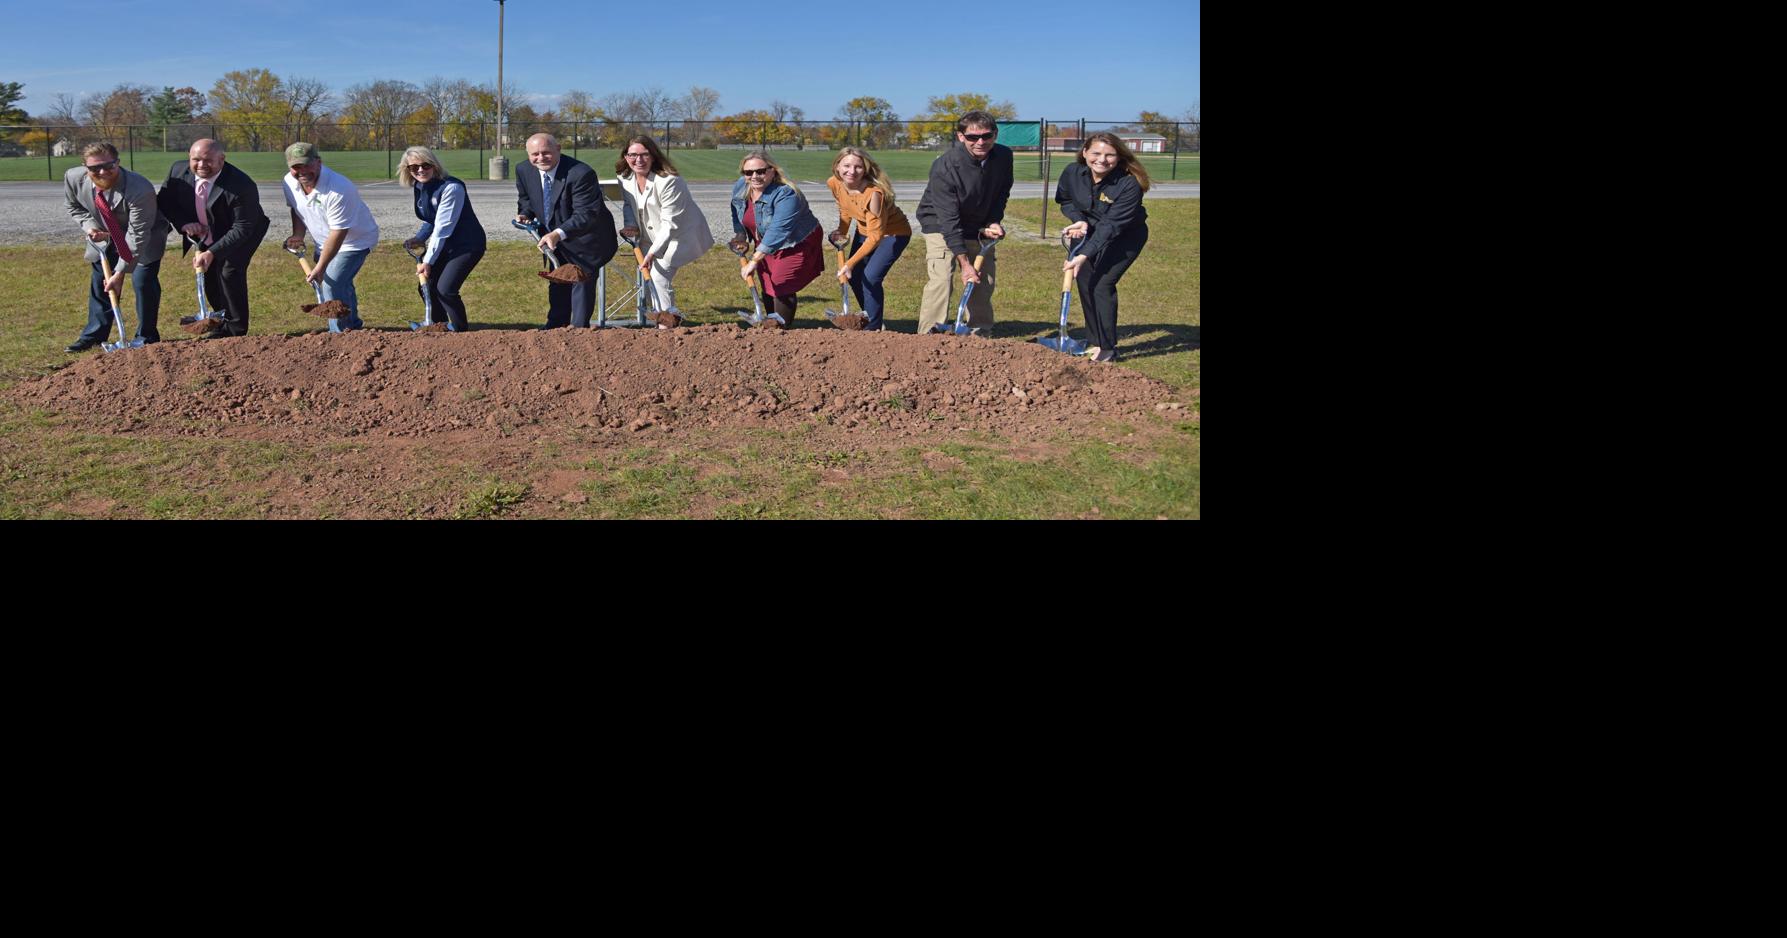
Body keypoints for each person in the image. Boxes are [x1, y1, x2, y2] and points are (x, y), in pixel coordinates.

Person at [157, 138, 268, 339]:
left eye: (208, 160)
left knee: (228, 271)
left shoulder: (241, 185)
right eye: (196, 159)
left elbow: (243, 227)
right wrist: (184, 223)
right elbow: (165, 202)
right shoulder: (178, 172)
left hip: (242, 230)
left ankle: (235, 330)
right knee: (209, 273)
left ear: (221, 159)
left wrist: (212, 252)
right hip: (206, 230)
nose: (201, 165)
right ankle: (220, 319)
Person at [915, 110, 1013, 335]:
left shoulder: (1004, 157)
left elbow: (1001, 193)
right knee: (941, 279)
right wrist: (964, 262)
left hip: (978, 221)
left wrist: (993, 221)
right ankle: (929, 334)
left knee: (983, 280)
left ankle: (979, 332)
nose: (980, 142)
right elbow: (948, 219)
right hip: (940, 222)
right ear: (961, 137)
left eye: (986, 136)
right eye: (972, 137)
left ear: (995, 135)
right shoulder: (945, 167)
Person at [1055, 132, 1151, 363]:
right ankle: (1094, 341)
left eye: (1110, 155)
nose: (1102, 160)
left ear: (1118, 157)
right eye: (1096, 153)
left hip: (1124, 237)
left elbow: (1111, 225)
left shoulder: (1128, 184)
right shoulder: (1072, 173)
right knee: (1085, 283)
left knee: (1101, 284)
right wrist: (1078, 219)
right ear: (1085, 152)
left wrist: (1085, 254)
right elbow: (1065, 200)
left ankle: (1108, 349)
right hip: (1087, 231)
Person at [62, 143, 165, 352]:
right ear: (85, 167)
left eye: (109, 165)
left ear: (118, 162)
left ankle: (146, 336)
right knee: (101, 284)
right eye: (94, 168)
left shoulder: (139, 188)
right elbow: (74, 207)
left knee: (142, 282)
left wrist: (119, 273)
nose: (102, 172)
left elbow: (137, 234)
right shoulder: (74, 178)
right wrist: (91, 227)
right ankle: (94, 335)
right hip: (104, 236)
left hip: (143, 237)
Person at [514, 132, 617, 329]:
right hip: (555, 240)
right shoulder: (524, 170)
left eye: (546, 152)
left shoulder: (581, 173)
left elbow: (586, 214)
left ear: (558, 149)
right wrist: (525, 213)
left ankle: (579, 332)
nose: (540, 158)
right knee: (558, 282)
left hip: (588, 239)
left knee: (581, 282)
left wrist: (557, 233)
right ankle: (555, 329)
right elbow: (526, 198)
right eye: (534, 154)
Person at [613, 135, 714, 329]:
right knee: (647, 277)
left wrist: (651, 253)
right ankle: (663, 316)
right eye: (633, 155)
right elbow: (628, 204)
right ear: (625, 157)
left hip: (680, 235)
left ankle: (667, 328)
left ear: (653, 156)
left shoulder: (669, 181)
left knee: (658, 275)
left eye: (644, 154)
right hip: (648, 236)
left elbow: (669, 224)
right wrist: (631, 225)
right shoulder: (625, 177)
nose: (638, 160)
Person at [281, 142, 379, 333]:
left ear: (318, 162)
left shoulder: (339, 188)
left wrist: (320, 267)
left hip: (354, 241)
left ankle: (339, 333)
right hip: (323, 240)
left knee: (331, 283)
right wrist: (298, 234)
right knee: (341, 284)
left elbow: (338, 232)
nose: (302, 171)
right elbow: (296, 207)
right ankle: (353, 327)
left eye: (307, 165)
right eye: (296, 167)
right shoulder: (289, 182)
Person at [729, 152, 823, 326]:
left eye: (760, 171)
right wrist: (741, 235)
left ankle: (782, 328)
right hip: (765, 241)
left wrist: (754, 260)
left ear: (772, 171)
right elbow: (738, 212)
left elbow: (779, 230)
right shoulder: (741, 186)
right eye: (748, 172)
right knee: (767, 281)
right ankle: (771, 323)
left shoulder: (786, 194)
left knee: (781, 280)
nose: (754, 176)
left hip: (796, 241)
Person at [398, 145, 485, 332]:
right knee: (426, 286)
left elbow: (443, 228)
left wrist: (427, 261)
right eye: (414, 167)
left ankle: (459, 329)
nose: (420, 170)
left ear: (434, 165)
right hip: (446, 244)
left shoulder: (452, 187)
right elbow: (432, 219)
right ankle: (437, 327)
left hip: (467, 244)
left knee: (446, 289)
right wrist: (420, 238)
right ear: (407, 170)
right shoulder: (420, 186)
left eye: (425, 165)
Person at [825, 146, 911, 331]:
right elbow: (845, 208)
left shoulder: (874, 194)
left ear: (865, 169)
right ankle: (872, 317)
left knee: (870, 277)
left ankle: (872, 328)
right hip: (865, 232)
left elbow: (876, 236)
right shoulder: (834, 183)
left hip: (893, 234)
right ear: (837, 166)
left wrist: (849, 263)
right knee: (856, 277)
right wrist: (842, 230)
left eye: (858, 167)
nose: (851, 171)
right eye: (846, 165)